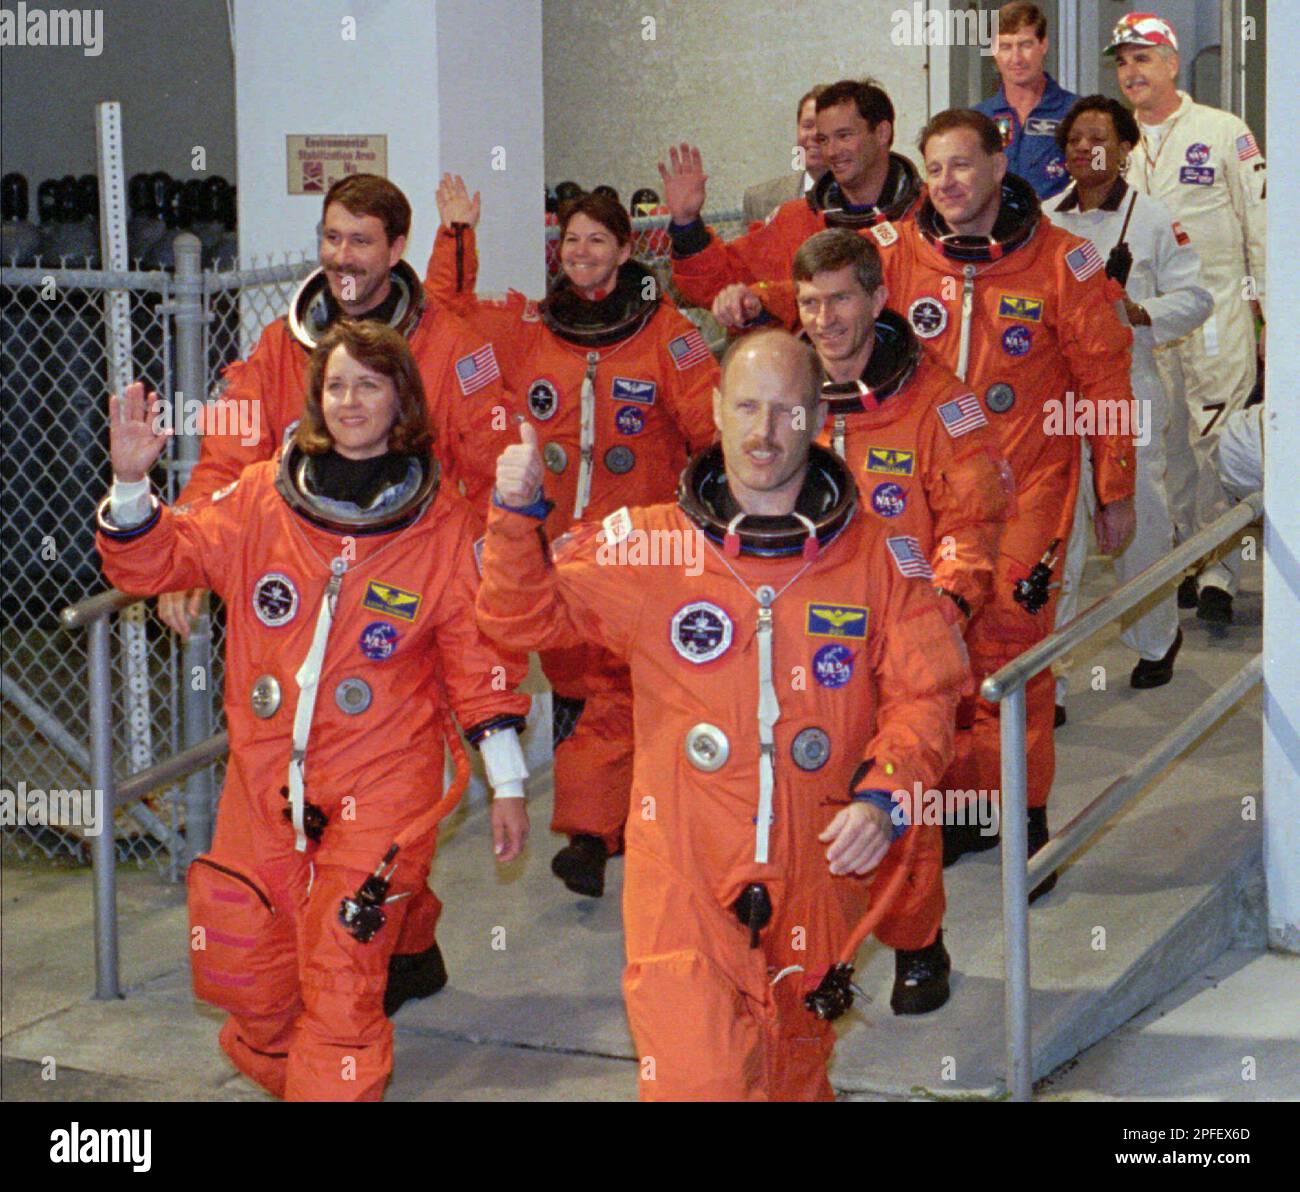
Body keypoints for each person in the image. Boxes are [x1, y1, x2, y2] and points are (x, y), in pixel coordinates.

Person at [477, 329, 969, 1100]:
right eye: (745, 407)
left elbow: (928, 693)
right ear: (714, 409)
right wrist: (513, 518)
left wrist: (888, 793)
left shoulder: (878, 557)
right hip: (685, 865)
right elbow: (521, 620)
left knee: (795, 1067)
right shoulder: (647, 546)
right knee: (697, 1077)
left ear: (815, 418)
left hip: (820, 856)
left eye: (784, 410)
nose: (764, 432)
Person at [97, 321, 532, 1101]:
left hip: (383, 782)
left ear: (401, 398)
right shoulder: (266, 496)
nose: (350, 400)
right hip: (265, 781)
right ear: (316, 398)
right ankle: (297, 1075)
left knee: (340, 974)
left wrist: (507, 782)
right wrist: (132, 487)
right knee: (246, 974)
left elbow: (481, 664)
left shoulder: (445, 527)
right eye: (336, 385)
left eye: (369, 384)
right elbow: (165, 558)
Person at [735, 111, 1137, 888]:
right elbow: (821, 294)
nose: (948, 182)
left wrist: (1114, 484)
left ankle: (1022, 813)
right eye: (936, 167)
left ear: (998, 163)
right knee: (929, 653)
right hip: (922, 495)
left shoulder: (1065, 262)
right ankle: (957, 806)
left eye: (962, 165)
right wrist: (747, 301)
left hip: (1028, 487)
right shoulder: (897, 251)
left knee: (1008, 647)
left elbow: (1105, 379)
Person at [157, 175, 514, 1007]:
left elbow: (495, 470)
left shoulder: (457, 344)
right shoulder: (278, 351)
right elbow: (226, 463)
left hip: (416, 593)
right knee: (331, 791)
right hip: (302, 600)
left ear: (396, 249)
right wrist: (184, 550)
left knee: (394, 788)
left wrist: (478, 569)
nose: (341, 257)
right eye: (330, 238)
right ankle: (397, 941)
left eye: (360, 241)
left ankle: (382, 944)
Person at [741, 228, 1013, 1011]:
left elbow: (975, 518)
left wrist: (950, 604)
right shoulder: (784, 393)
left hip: (902, 630)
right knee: (793, 791)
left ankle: (918, 942)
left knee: (897, 801)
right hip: (792, 626)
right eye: (810, 302)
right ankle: (809, 948)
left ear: (878, 298)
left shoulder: (942, 401)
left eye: (840, 300)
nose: (823, 319)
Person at [428, 178, 718, 897]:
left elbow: (712, 431)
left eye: (598, 239)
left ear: (625, 249)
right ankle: (605, 824)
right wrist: (456, 238)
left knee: (617, 691)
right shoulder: (528, 328)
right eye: (573, 240)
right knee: (580, 689)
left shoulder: (669, 334)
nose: (583, 252)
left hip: (634, 550)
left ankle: (589, 834)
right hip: (552, 547)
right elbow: (449, 316)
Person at [1045, 95, 1212, 704]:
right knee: (1058, 536)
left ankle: (1156, 638)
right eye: (1073, 139)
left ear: (1124, 148)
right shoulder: (1041, 220)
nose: (1084, 149)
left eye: (1098, 138)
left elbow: (1197, 298)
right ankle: (1050, 678)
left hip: (1130, 394)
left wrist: (1140, 312)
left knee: (1137, 528)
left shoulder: (1154, 218)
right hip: (1057, 404)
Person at [1109, 11, 1267, 625]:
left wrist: (1271, 319)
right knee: (1165, 443)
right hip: (1150, 322)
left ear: (1173, 63)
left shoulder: (1224, 130)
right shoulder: (1117, 143)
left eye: (1143, 58)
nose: (1132, 71)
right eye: (1123, 61)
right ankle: (1183, 554)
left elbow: (1261, 224)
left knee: (1213, 444)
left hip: (1220, 317)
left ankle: (1218, 568)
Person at [662, 78, 923, 312]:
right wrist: (687, 225)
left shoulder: (930, 216)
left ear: (882, 133)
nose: (831, 151)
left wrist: (775, 297)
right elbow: (720, 283)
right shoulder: (796, 221)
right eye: (823, 139)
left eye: (844, 136)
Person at [974, 2, 1077, 200]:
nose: (1016, 58)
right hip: (997, 228)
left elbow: (1102, 170)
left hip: (1061, 226)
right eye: (1005, 47)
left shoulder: (1078, 113)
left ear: (1043, 45)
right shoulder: (977, 120)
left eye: (1025, 45)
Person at [742, 86, 829, 224]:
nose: (814, 135)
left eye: (824, 127)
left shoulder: (864, 197)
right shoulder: (760, 200)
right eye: (807, 126)